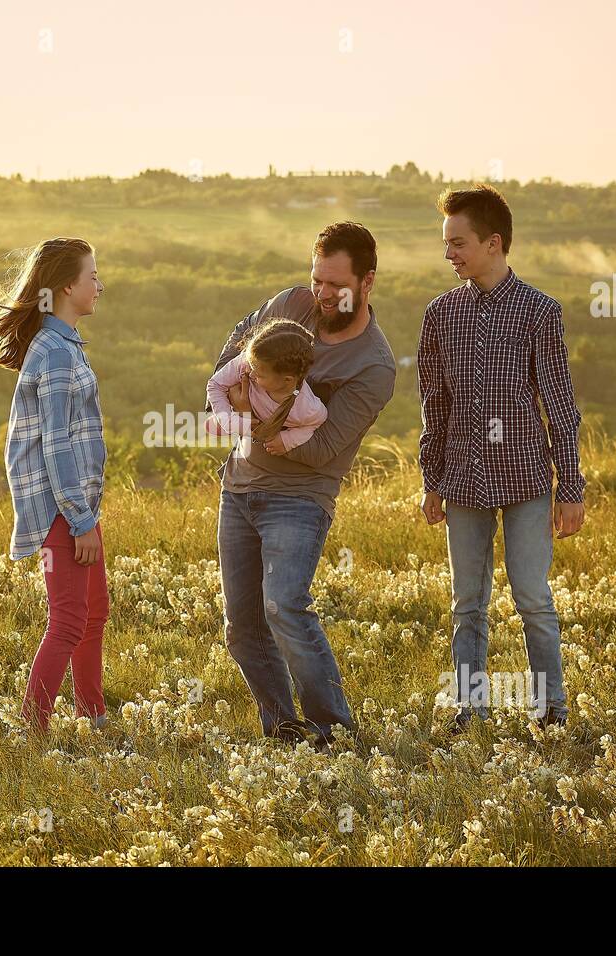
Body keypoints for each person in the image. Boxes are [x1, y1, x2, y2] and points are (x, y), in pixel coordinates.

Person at [209, 221, 397, 749]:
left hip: (300, 499)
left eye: (335, 284)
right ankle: (283, 730)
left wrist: (253, 416)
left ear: (367, 282)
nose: (321, 293)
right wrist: (232, 403)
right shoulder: (289, 304)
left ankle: (332, 730)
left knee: (284, 606)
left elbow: (323, 446)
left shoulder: (374, 365)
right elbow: (233, 355)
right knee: (242, 626)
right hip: (240, 487)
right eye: (317, 279)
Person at [415, 184, 587, 732]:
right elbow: (434, 405)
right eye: (446, 244)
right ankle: (470, 711)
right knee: (467, 604)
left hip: (527, 481)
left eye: (458, 243)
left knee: (533, 599)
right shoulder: (440, 313)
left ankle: (551, 711)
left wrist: (572, 487)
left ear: (494, 242)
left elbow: (560, 403)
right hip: (462, 479)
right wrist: (432, 479)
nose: (449, 253)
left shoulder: (541, 312)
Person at [0, 237, 109, 734]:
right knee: (70, 621)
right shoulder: (53, 353)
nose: (100, 284)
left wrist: (87, 514)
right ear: (68, 286)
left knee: (94, 614)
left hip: (78, 507)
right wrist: (79, 521)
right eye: (92, 276)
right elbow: (56, 445)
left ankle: (93, 718)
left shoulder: (64, 345)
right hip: (61, 510)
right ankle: (32, 732)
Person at [205, 318, 327, 460]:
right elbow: (215, 384)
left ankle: (241, 425)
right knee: (211, 425)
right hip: (240, 408)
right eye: (252, 366)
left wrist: (287, 440)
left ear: (287, 380)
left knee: (253, 432)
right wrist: (228, 419)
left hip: (269, 423)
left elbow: (316, 423)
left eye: (259, 374)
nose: (250, 373)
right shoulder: (249, 361)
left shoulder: (307, 409)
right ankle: (229, 418)